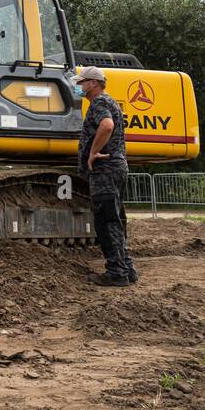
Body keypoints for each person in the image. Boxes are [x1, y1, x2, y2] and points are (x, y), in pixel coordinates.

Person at [73, 65, 137, 287]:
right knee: (114, 219)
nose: (78, 86)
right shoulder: (109, 102)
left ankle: (116, 272)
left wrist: (93, 152)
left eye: (81, 82)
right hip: (115, 168)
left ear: (93, 83)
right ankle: (126, 268)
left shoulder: (99, 103)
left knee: (106, 221)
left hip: (105, 170)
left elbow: (107, 126)